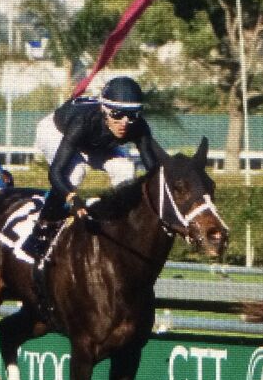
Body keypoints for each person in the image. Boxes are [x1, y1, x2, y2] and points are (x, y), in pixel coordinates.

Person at [20, 76, 162, 264]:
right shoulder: (82, 122)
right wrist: (73, 198)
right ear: (104, 109)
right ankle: (41, 230)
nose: (125, 122)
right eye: (118, 114)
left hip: (95, 141)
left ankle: (119, 225)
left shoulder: (139, 127)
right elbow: (56, 172)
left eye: (132, 115)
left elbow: (154, 172)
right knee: (76, 172)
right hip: (56, 131)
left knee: (126, 169)